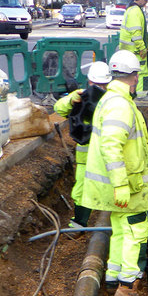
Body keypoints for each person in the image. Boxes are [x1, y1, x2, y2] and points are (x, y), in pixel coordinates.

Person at [82, 50, 148, 296]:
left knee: (121, 232)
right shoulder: (120, 104)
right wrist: (121, 184)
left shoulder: (111, 99)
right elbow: (111, 146)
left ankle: (113, 282)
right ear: (134, 76)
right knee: (136, 233)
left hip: (122, 187)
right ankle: (127, 288)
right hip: (129, 188)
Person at [52, 61, 113, 230]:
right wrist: (71, 100)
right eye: (97, 84)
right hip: (86, 156)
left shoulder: (113, 100)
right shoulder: (81, 97)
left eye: (103, 84)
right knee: (82, 190)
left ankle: (111, 218)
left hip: (107, 154)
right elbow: (59, 109)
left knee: (111, 186)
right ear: (90, 81)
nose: (100, 88)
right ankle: (79, 223)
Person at [119, 0, 148, 98]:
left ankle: (131, 94)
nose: (146, 2)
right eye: (146, 0)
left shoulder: (131, 10)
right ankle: (141, 95)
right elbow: (136, 34)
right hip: (135, 50)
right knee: (142, 72)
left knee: (129, 73)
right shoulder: (135, 12)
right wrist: (142, 48)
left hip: (129, 50)